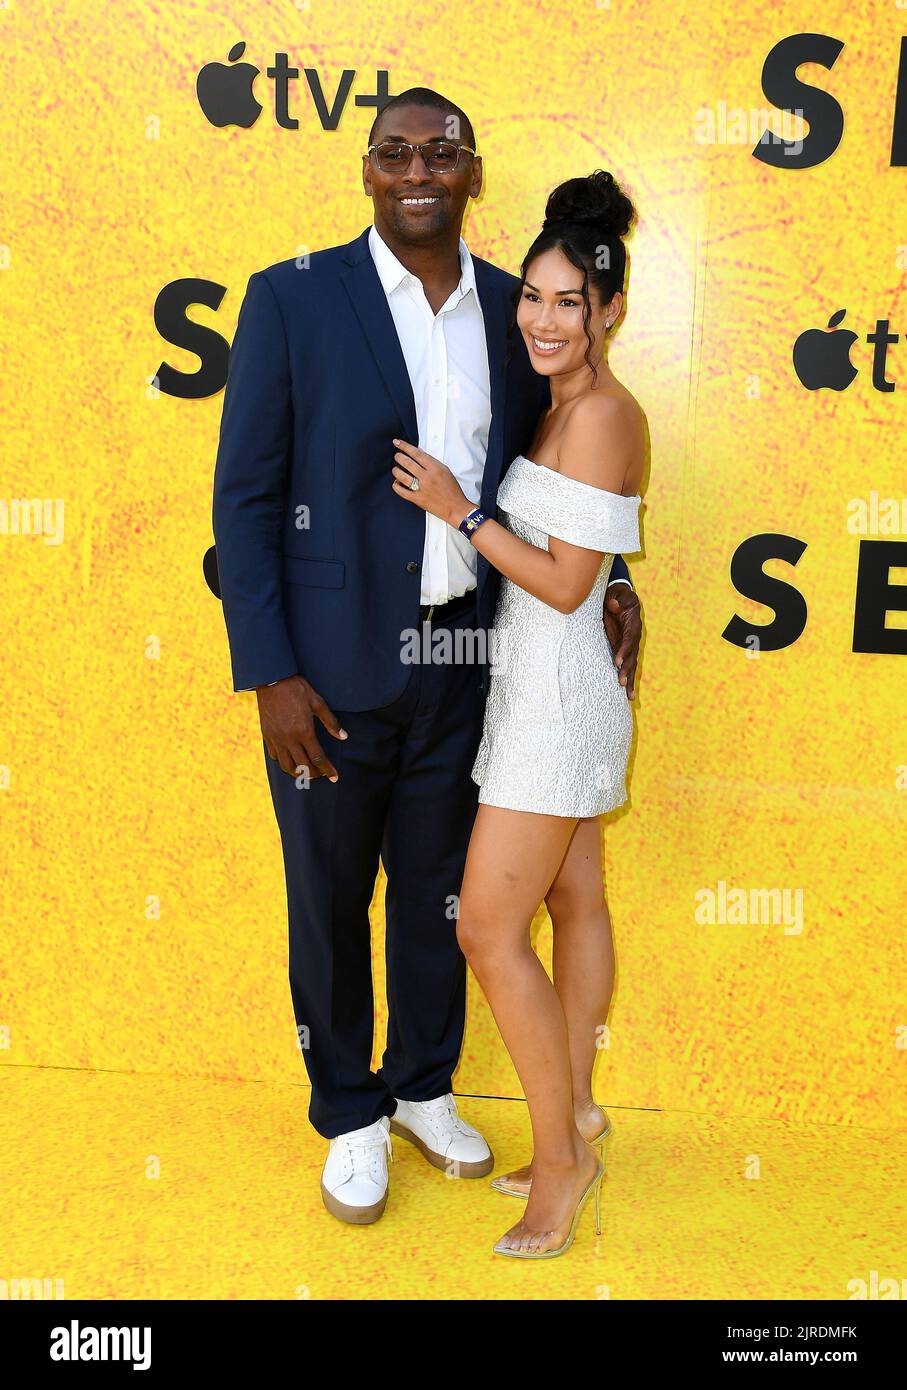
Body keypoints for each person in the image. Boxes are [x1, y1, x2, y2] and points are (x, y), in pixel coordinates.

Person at [211, 87, 642, 1226]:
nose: (417, 168)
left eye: (440, 151)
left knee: (444, 899)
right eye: (395, 151)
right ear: (367, 170)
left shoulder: (516, 308)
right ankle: (349, 1110)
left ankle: (421, 1085)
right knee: (329, 896)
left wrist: (615, 585)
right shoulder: (293, 299)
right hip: (327, 674)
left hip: (471, 665)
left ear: (470, 172)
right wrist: (270, 673)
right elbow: (245, 501)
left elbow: (569, 470)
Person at [390, 168, 645, 1258]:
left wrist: (462, 507)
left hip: (553, 700)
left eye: (567, 303)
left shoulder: (602, 415)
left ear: (608, 313)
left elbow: (565, 581)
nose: (542, 319)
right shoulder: (563, 407)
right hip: (549, 688)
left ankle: (559, 1163)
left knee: (486, 927)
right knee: (575, 897)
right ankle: (577, 1110)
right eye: (532, 297)